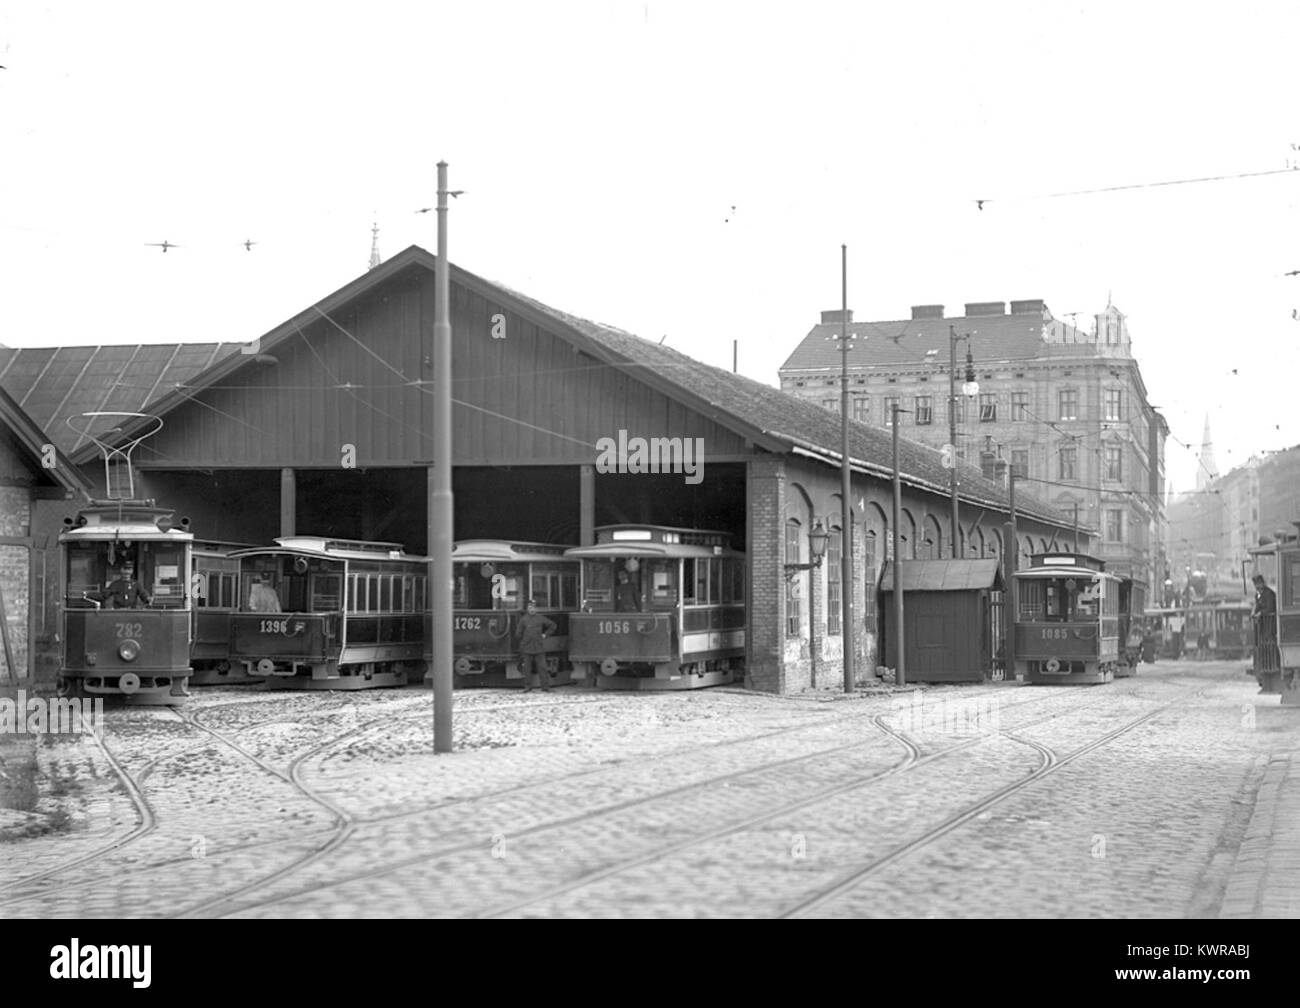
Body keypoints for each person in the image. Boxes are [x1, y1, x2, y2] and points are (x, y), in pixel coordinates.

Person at [515, 598, 557, 692]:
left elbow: (552, 625)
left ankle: (545, 687)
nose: (532, 609)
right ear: (527, 608)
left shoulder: (540, 618)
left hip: (539, 647)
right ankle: (527, 687)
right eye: (530, 607)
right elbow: (518, 633)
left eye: (533, 607)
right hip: (527, 648)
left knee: (542, 668)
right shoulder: (523, 620)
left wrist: (545, 634)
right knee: (527, 669)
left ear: (536, 609)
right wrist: (523, 642)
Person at [1253, 574, 1278, 677]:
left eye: (1258, 584)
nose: (1257, 587)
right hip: (1263, 626)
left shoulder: (1270, 594)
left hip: (1270, 625)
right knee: (1262, 643)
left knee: (1269, 643)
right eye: (1255, 585)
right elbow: (1257, 606)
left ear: (1262, 583)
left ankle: (1271, 665)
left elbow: (1270, 608)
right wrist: (1255, 613)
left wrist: (1261, 613)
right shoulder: (1258, 595)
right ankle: (1263, 665)